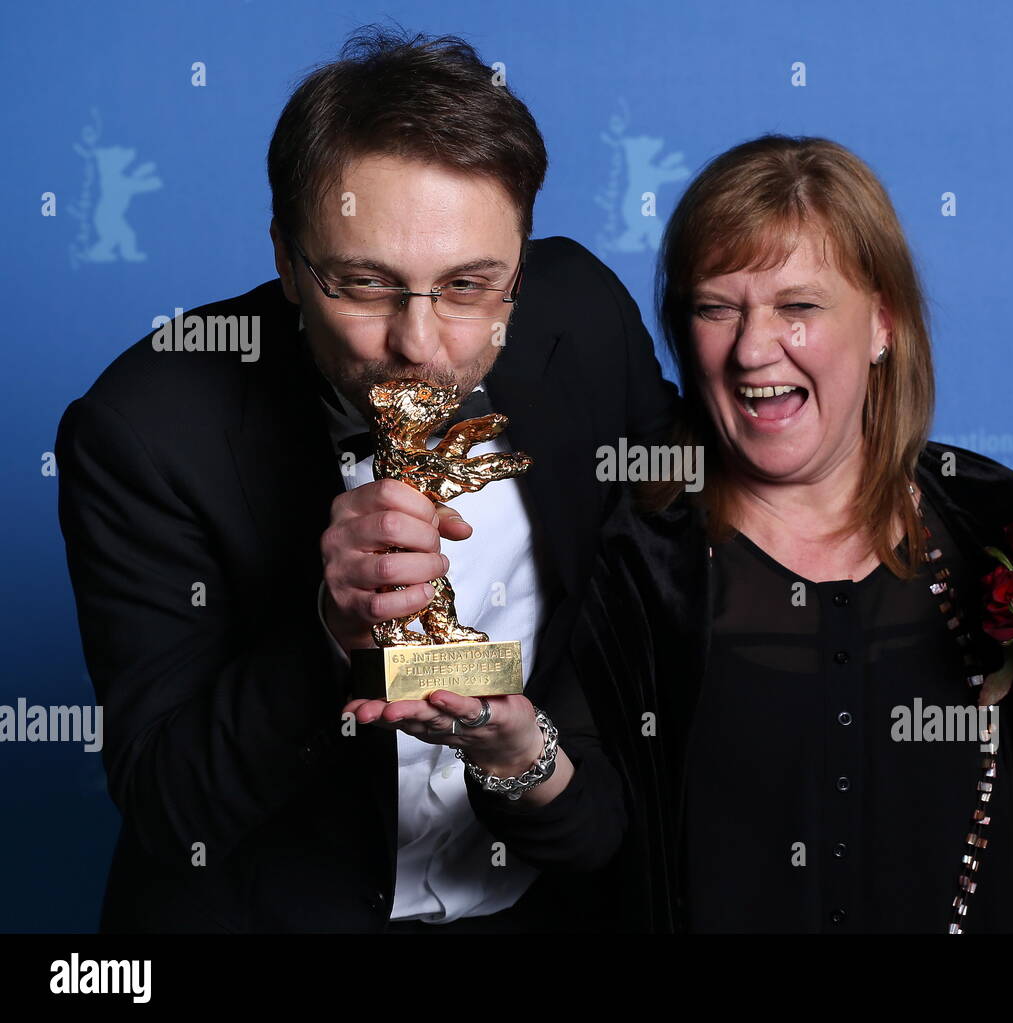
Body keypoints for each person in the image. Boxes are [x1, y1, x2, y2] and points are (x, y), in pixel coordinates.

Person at [472, 135, 1013, 932]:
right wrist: (514, 758)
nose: (752, 349)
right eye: (716, 308)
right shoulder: (634, 548)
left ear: (882, 322)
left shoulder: (994, 520)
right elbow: (587, 840)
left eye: (798, 307)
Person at [54, 27, 676, 933]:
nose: (418, 344)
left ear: (522, 259)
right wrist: (327, 631)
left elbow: (678, 528)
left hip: (544, 901)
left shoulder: (582, 316)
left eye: (469, 286)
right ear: (287, 260)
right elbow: (168, 799)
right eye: (365, 283)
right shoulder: (144, 428)